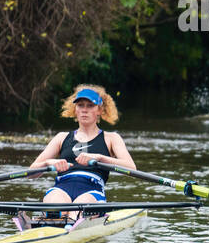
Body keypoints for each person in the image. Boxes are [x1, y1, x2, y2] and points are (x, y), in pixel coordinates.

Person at [28, 85, 137, 226]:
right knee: (55, 207)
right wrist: (49, 163)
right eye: (80, 105)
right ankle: (53, 223)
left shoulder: (111, 138)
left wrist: (100, 158)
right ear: (75, 109)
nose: (84, 110)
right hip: (62, 187)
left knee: (76, 213)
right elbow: (31, 173)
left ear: (100, 110)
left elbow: (131, 168)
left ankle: (71, 225)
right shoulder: (61, 137)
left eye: (90, 105)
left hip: (91, 189)